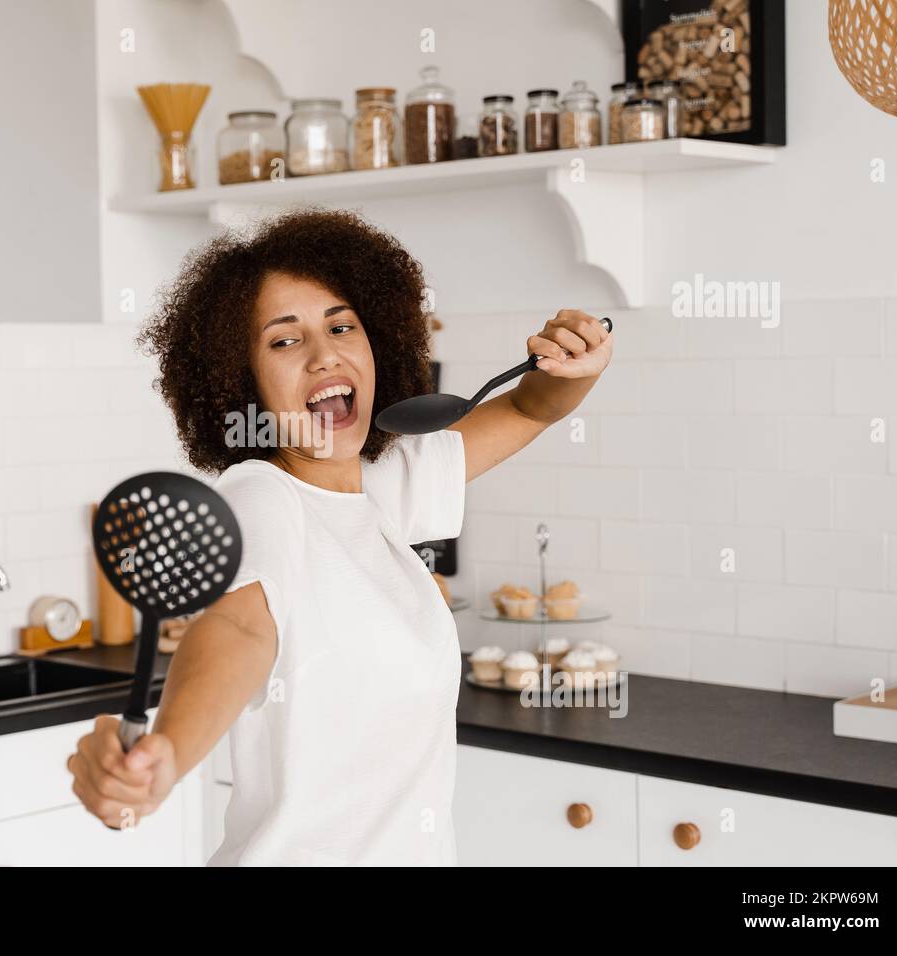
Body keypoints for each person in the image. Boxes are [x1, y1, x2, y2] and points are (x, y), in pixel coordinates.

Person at [67, 208, 613, 865]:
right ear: (241, 384)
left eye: (341, 325)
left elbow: (528, 405)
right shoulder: (261, 494)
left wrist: (577, 362)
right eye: (284, 340)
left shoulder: (382, 483)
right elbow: (239, 629)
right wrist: (169, 753)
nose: (326, 353)